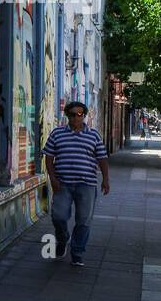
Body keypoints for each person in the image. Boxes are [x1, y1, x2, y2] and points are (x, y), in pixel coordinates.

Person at [42, 100, 110, 266]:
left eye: (79, 114)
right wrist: (53, 179)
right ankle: (63, 237)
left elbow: (102, 158)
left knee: (84, 220)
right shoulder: (57, 134)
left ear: (84, 115)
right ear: (67, 116)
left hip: (86, 184)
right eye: (72, 114)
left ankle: (77, 252)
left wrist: (106, 180)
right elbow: (49, 158)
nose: (75, 118)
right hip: (62, 184)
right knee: (58, 216)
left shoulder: (93, 135)